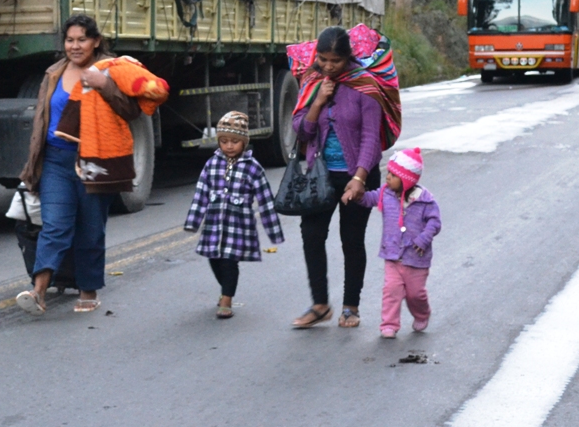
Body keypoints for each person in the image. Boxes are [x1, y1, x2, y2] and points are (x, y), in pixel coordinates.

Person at [16, 15, 167, 316]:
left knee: (90, 229)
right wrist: (33, 162)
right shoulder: (54, 73)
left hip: (96, 161)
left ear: (96, 41)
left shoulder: (112, 69)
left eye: (82, 39)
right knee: (55, 225)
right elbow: (42, 120)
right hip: (56, 161)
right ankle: (38, 291)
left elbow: (132, 111)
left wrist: (104, 85)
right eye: (70, 40)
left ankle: (88, 290)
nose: (75, 46)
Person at [290, 25, 400, 330]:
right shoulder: (313, 82)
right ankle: (320, 305)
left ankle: (351, 307)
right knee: (312, 236)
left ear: (347, 58)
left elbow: (370, 138)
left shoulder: (365, 84)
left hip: (358, 176)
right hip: (320, 176)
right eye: (322, 60)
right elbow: (301, 131)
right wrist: (317, 103)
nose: (327, 66)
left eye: (334, 61)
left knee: (351, 241)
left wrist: (360, 178)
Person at [183, 111, 284, 318]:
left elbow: (265, 200)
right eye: (224, 141)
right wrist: (193, 221)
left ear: (244, 143)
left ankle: (227, 298)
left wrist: (273, 231)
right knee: (214, 258)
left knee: (229, 260)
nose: (229, 146)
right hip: (213, 224)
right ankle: (225, 290)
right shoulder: (211, 164)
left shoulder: (252, 168)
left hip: (239, 225)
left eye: (235, 142)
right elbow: (201, 193)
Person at [359, 148, 442, 338]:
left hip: (416, 258)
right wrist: (358, 196)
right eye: (388, 173)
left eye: (393, 175)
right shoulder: (385, 193)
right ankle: (389, 324)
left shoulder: (425, 201)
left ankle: (422, 313)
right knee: (391, 291)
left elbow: (435, 222)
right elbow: (371, 198)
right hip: (393, 255)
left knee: (415, 294)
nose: (387, 178)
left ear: (407, 180)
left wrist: (424, 238)